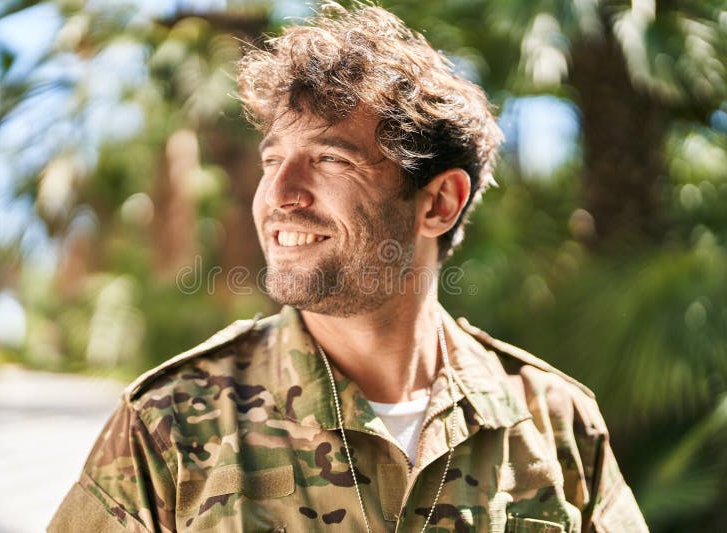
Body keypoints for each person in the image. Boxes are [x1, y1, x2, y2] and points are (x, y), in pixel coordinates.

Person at [49, 4, 648, 532]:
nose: (278, 194)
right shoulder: (170, 423)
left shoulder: (555, 422)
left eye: (331, 159)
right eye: (273, 159)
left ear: (439, 203)